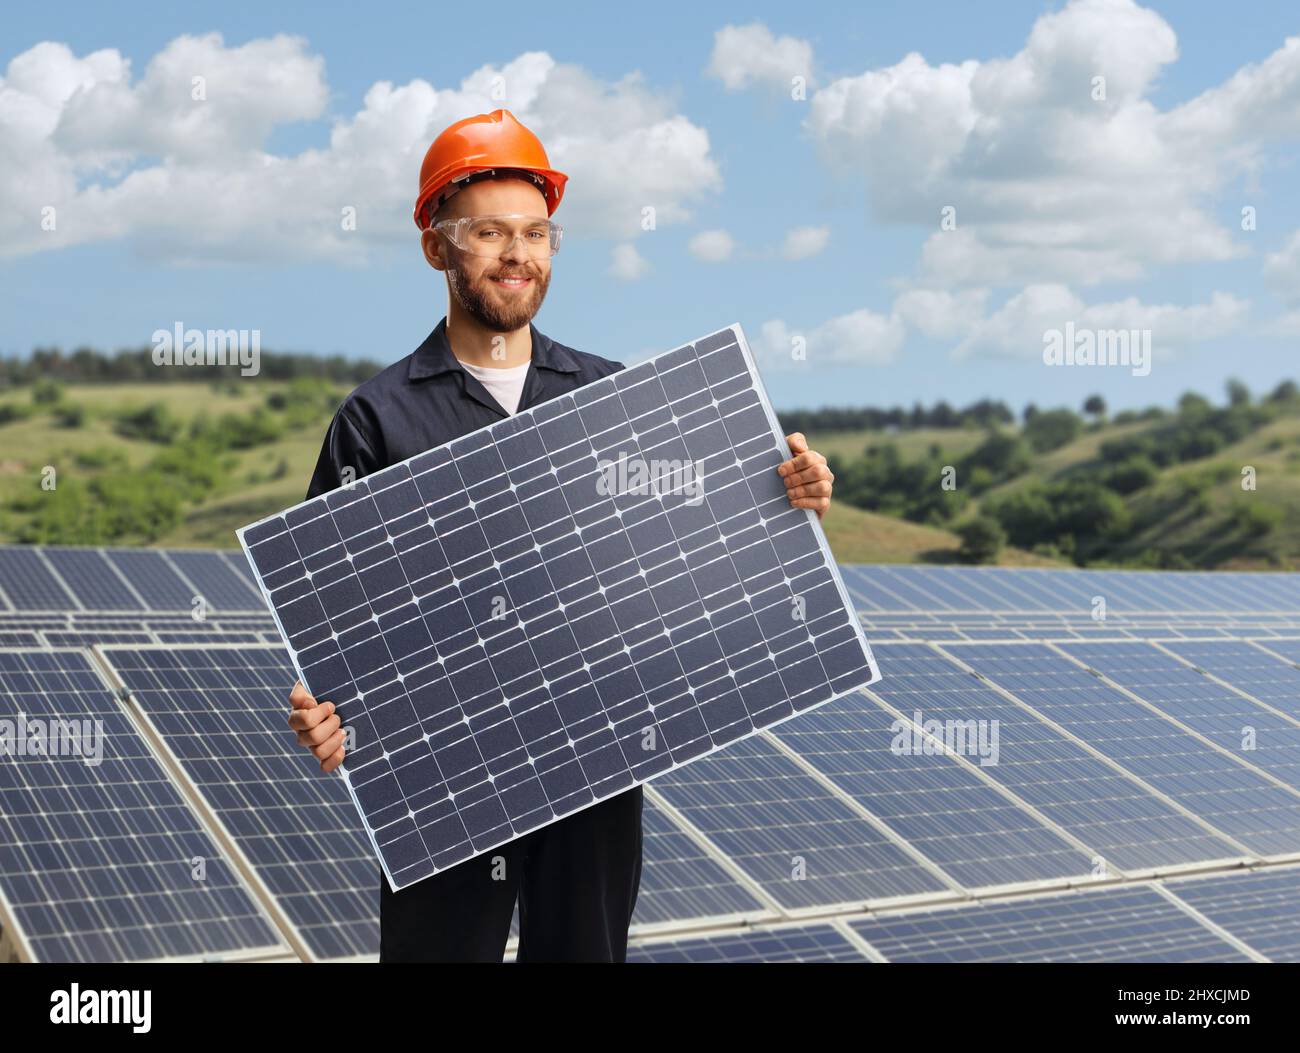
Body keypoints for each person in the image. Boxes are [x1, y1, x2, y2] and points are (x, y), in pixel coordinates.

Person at [286, 109, 836, 963]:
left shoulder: (616, 400)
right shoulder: (377, 419)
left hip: (597, 760)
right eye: (491, 233)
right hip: (444, 778)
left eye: (537, 232)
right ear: (438, 247)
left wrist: (792, 493)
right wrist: (324, 710)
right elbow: (332, 619)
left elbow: (696, 554)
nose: (518, 253)